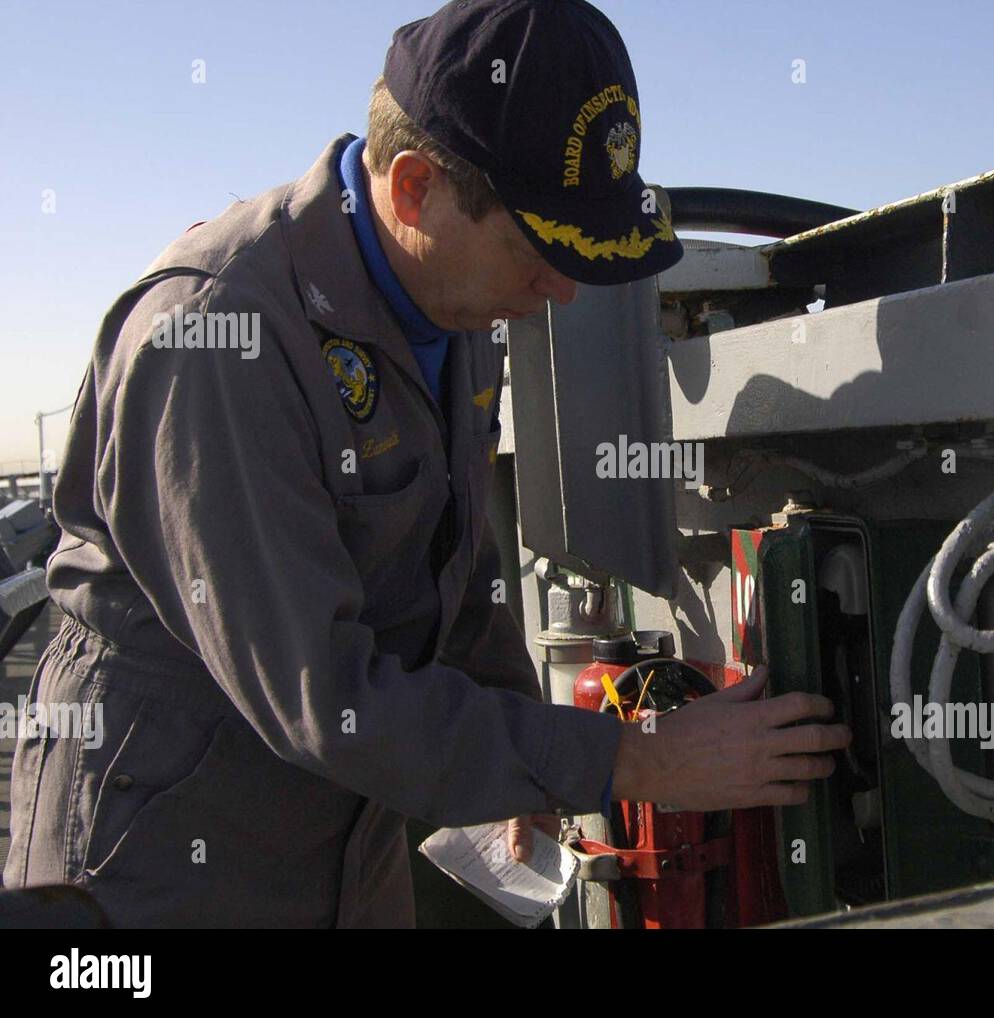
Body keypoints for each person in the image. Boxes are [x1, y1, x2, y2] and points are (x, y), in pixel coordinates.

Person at [4, 0, 850, 927]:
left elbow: (462, 571)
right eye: (535, 246)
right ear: (413, 189)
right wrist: (632, 760)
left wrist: (520, 749)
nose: (560, 289)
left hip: (348, 845)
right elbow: (321, 697)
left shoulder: (450, 301)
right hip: (169, 856)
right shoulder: (217, 339)